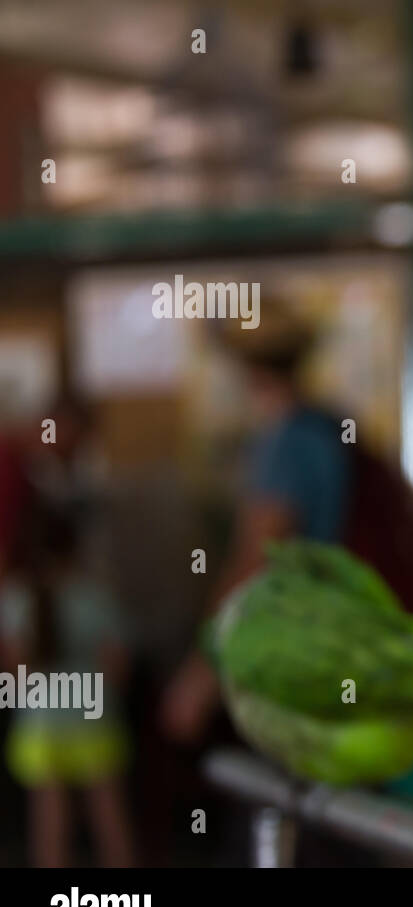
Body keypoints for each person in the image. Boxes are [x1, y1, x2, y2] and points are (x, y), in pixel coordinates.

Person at [160, 302, 353, 743]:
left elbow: (256, 560)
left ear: (248, 369)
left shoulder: (283, 442)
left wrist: (201, 672)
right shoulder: (327, 428)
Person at [1, 506, 133, 867]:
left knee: (50, 829)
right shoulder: (96, 596)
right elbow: (118, 666)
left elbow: (13, 670)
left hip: (40, 724)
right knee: (109, 822)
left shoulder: (15, 597)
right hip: (94, 719)